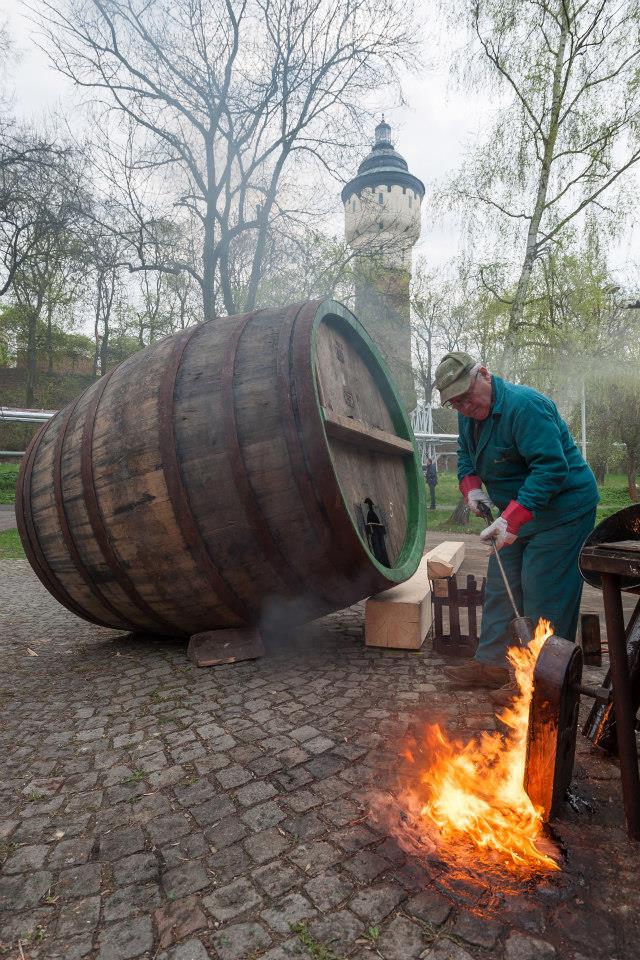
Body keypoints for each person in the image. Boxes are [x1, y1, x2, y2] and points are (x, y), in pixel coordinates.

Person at [434, 352, 599, 705]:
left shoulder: (526, 407)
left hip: (563, 510)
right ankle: (493, 664)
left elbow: (551, 469)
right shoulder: (469, 417)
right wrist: (472, 488)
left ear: (485, 375)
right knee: (500, 585)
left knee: (543, 590)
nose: (463, 406)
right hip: (516, 511)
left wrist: (511, 519)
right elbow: (466, 455)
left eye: (466, 395)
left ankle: (539, 682)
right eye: (455, 402)